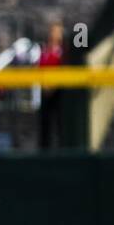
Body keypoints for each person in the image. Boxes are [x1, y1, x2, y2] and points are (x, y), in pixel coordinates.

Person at [36, 20, 66, 150]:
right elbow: (41, 67)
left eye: (57, 32)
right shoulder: (45, 50)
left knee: (60, 123)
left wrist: (53, 85)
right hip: (45, 90)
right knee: (45, 123)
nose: (54, 34)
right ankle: (44, 149)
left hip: (58, 91)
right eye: (52, 31)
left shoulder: (63, 50)